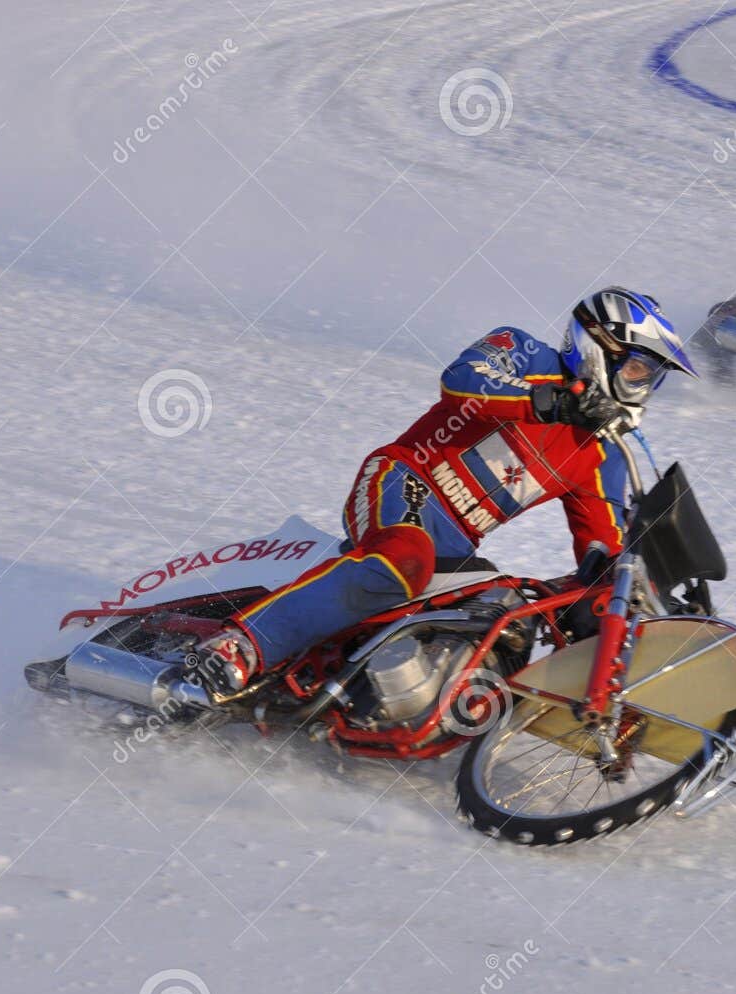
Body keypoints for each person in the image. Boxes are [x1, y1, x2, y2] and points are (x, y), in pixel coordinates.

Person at [192, 287, 698, 697]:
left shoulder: (602, 454)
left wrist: (629, 588)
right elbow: (461, 381)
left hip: (455, 547)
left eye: (651, 378)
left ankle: (392, 697)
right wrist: (547, 401)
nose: (642, 387)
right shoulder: (523, 351)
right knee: (403, 561)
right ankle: (243, 645)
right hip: (404, 480)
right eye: (637, 369)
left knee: (503, 614)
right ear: (599, 347)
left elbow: (603, 540)